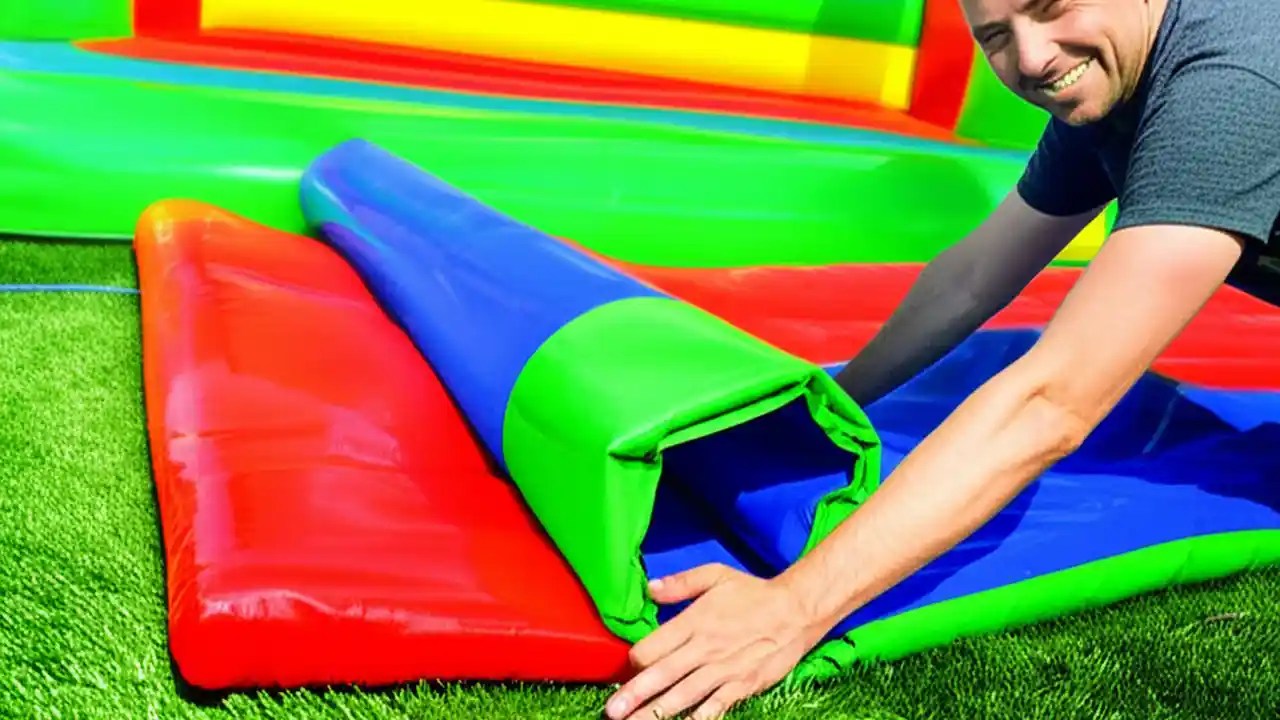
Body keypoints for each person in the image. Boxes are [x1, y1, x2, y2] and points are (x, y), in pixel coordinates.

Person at [604, 0, 1280, 716]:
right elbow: (971, 276)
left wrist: (793, 606)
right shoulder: (1117, 78)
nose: (1032, 59)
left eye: (1051, 9)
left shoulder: (1230, 83)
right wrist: (833, 406)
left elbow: (1055, 403)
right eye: (996, 37)